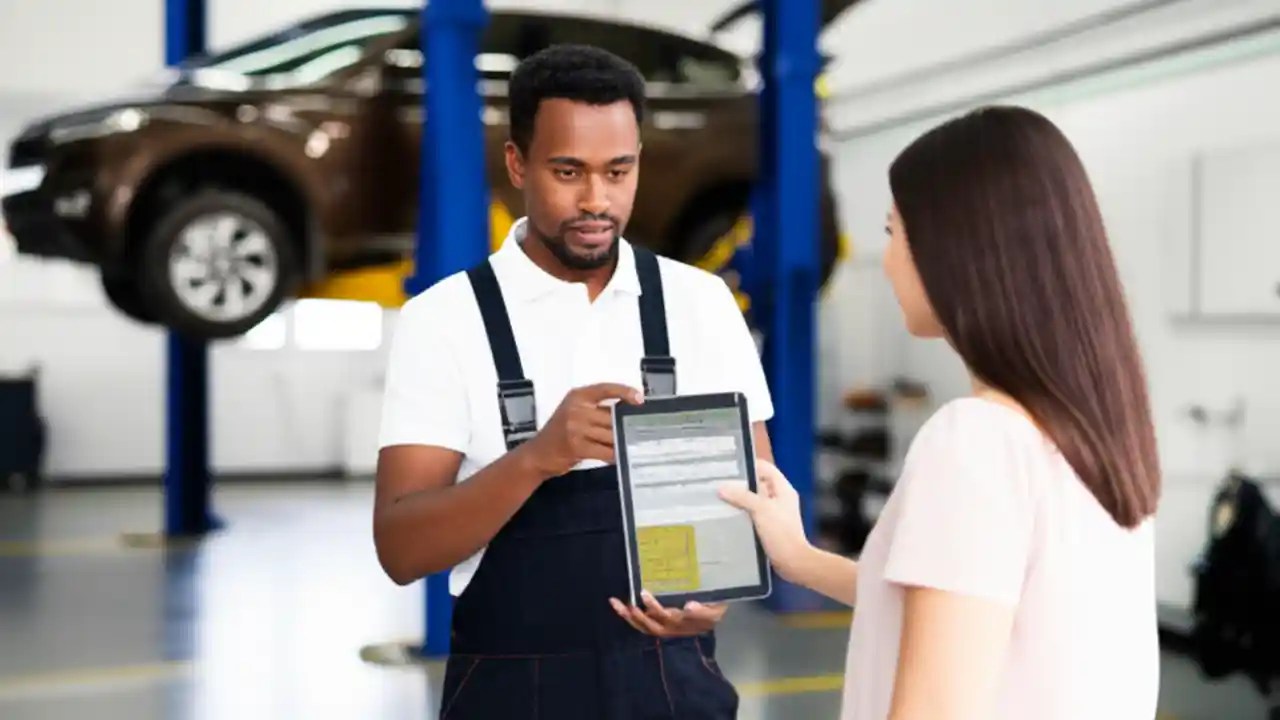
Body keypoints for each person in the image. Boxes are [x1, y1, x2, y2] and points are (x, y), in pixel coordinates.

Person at [721, 105, 1162, 720]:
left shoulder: (976, 440)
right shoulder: (1093, 434)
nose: (891, 259)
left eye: (892, 232)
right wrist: (798, 557)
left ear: (956, 251)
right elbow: (957, 602)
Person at [373, 44, 774, 719]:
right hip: (510, 695)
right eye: (568, 172)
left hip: (673, 688)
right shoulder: (443, 321)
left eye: (619, 171)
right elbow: (402, 548)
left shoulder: (699, 304)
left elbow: (758, 499)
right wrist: (536, 460)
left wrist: (718, 593)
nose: (596, 200)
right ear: (517, 164)